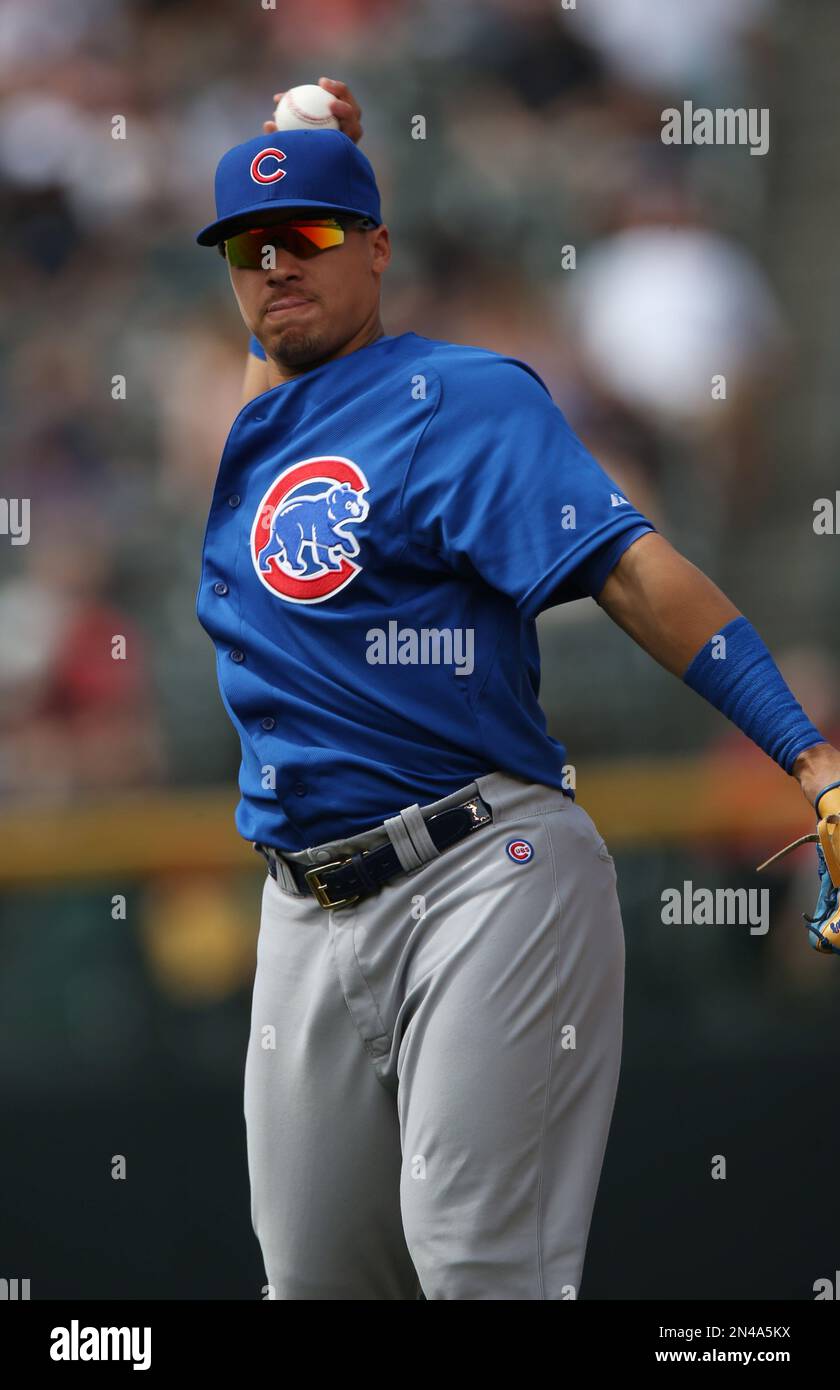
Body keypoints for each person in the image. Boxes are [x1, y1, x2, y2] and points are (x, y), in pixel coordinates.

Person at [194, 79, 840, 1300]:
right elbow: (277, 344)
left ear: (380, 249)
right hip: (301, 907)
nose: (277, 265)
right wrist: (306, 149)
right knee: (314, 1285)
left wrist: (809, 755)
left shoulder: (463, 398)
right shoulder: (263, 424)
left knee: (479, 1267)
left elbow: (635, 574)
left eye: (314, 238)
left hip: (480, 872)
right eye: (250, 248)